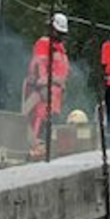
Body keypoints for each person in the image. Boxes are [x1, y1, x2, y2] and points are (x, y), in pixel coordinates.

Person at [23, 12, 71, 159]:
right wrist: (43, 86)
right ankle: (34, 151)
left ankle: (41, 152)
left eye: (62, 33)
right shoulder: (44, 43)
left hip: (53, 98)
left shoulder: (60, 49)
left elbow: (61, 73)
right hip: (42, 93)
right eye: (58, 31)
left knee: (46, 126)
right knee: (35, 120)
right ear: (51, 28)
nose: (60, 35)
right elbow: (39, 66)